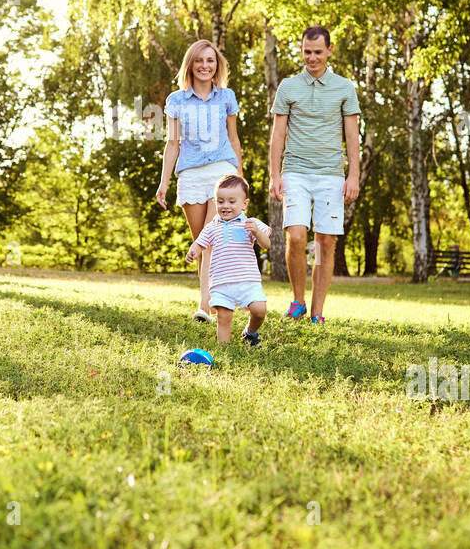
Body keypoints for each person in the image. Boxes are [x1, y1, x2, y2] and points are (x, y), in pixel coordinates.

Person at [268, 25, 361, 324]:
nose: (312, 58)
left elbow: (352, 136)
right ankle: (298, 300)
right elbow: (277, 135)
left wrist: (353, 176)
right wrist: (274, 175)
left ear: (329, 51)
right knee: (296, 236)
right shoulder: (288, 87)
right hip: (295, 171)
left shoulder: (344, 87)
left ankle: (318, 311)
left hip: (331, 175)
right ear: (301, 51)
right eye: (307, 52)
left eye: (318, 52)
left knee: (325, 243)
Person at [155, 39, 244, 322]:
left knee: (210, 240)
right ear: (190, 65)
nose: (205, 66)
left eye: (211, 60)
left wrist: (239, 178)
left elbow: (233, 138)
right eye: (200, 61)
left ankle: (205, 306)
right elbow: (172, 144)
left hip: (222, 169)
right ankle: (215, 298)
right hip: (191, 174)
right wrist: (164, 183)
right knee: (200, 242)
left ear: (217, 65)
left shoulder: (226, 96)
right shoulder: (176, 101)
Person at [184, 174, 270, 346]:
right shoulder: (212, 227)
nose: (226, 206)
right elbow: (199, 244)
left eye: (232, 201)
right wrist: (192, 251)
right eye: (221, 201)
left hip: (248, 281)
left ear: (244, 204)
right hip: (221, 283)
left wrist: (257, 233)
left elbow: (266, 244)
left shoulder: (250, 223)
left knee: (259, 310)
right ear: (215, 202)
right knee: (224, 318)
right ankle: (224, 350)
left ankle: (250, 332)